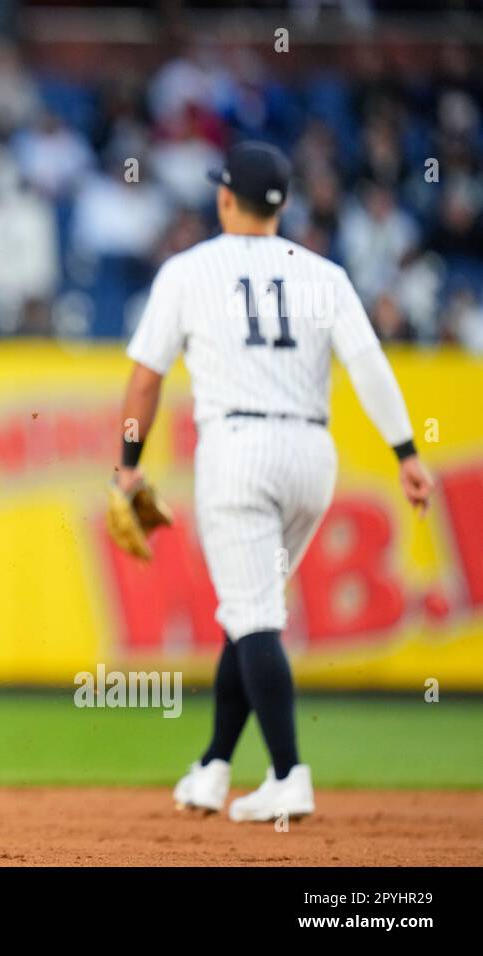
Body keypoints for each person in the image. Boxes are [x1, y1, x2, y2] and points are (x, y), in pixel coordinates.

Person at [114, 142, 433, 822]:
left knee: (253, 614)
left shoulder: (189, 270)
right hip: (312, 455)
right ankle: (213, 766)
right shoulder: (325, 273)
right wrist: (405, 450)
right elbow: (369, 363)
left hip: (237, 450)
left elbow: (146, 378)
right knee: (249, 608)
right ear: (284, 205)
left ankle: (289, 774)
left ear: (226, 199)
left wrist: (130, 464)